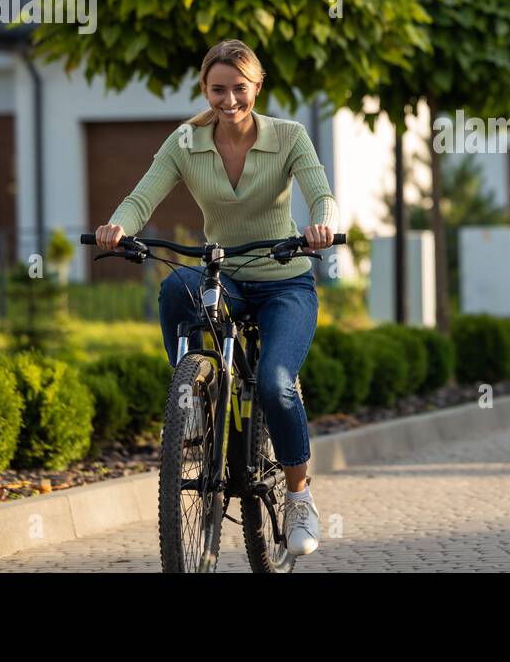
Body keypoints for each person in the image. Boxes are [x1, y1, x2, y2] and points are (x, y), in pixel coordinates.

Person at [93, 38, 338, 556]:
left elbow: (320, 192)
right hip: (222, 273)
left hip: (283, 279)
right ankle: (195, 399)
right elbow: (144, 195)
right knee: (174, 289)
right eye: (217, 89)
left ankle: (299, 495)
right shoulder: (185, 142)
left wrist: (323, 225)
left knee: (275, 382)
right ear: (204, 89)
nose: (228, 101)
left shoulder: (290, 137)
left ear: (257, 86)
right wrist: (118, 225)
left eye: (239, 89)